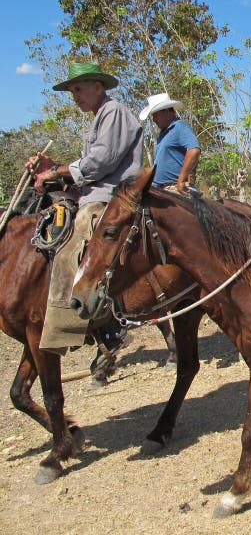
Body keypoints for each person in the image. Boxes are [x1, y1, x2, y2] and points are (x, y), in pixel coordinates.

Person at [25, 62, 143, 356]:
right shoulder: (99, 117)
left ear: (98, 87)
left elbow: (101, 161)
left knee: (74, 245)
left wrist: (54, 172)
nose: (74, 95)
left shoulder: (113, 112)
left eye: (78, 89)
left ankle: (93, 325)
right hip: (94, 192)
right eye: (71, 91)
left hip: (111, 196)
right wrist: (51, 169)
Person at [139, 92, 201, 194]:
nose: (154, 119)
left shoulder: (179, 127)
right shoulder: (163, 134)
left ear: (167, 111)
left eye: (155, 115)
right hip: (159, 188)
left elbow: (194, 150)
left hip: (175, 188)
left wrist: (181, 180)